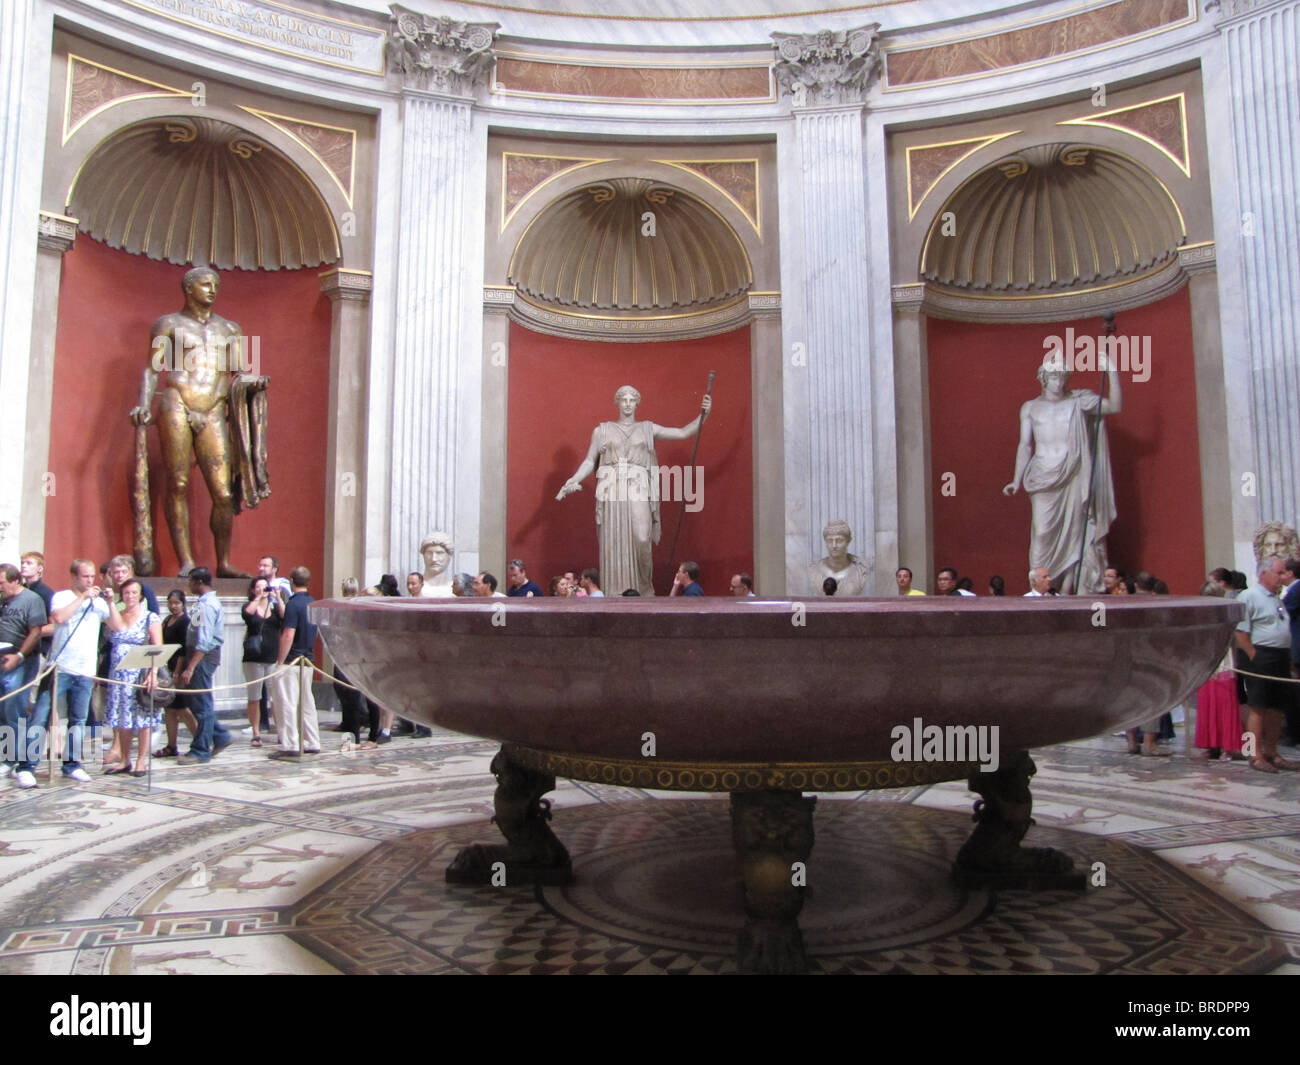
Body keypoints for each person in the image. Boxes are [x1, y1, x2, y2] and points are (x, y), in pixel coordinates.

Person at [130, 266, 269, 577]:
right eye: (206, 284)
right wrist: (142, 405)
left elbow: (243, 371)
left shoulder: (232, 329)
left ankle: (224, 562)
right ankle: (187, 561)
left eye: (215, 285)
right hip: (176, 401)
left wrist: (255, 381)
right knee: (177, 483)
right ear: (188, 288)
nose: (212, 290)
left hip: (214, 408)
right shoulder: (168, 324)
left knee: (223, 493)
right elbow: (153, 369)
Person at [555, 385, 712, 597]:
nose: (627, 404)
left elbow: (683, 433)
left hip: (638, 487)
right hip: (612, 489)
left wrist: (703, 415)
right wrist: (573, 479)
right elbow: (589, 460)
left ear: (637, 403)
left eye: (632, 400)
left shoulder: (648, 428)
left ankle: (644, 589)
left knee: (641, 538)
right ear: (617, 403)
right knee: (613, 544)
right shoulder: (601, 430)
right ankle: (615, 593)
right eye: (623, 400)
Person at [1003, 351, 1121, 595]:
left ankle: (1069, 588)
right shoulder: (1031, 407)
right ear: (1043, 378)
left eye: (1063, 377)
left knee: (1076, 533)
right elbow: (1025, 445)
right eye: (1054, 377)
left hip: (1074, 472)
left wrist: (1112, 372)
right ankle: (1038, 589)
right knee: (1042, 533)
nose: (1059, 381)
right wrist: (1016, 480)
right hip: (1042, 476)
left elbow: (1115, 406)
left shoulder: (1079, 402)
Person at [25, 559, 107, 785]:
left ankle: (72, 764)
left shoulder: (98, 603)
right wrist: (82, 597)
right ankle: (26, 766)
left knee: (78, 719)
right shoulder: (61, 597)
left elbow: (116, 625)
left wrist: (108, 599)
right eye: (85, 576)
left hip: (85, 669)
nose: (90, 581)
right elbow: (59, 618)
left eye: (92, 577)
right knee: (41, 716)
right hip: (59, 667)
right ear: (74, 577)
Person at [1234, 555, 1298, 773]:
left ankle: (1272, 751)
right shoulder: (1249, 596)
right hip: (1259, 655)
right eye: (1278, 573)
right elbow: (1241, 631)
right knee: (1257, 705)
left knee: (1277, 707)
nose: (1282, 577)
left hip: (1279, 656)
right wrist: (1254, 657)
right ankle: (1253, 753)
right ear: (1264, 573)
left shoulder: (1276, 598)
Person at [103, 578, 163, 777]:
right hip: (118, 675)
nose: (130, 596)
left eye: (133, 593)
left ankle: (140, 761)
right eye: (126, 593)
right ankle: (125, 759)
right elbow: (117, 628)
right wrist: (111, 602)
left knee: (142, 718)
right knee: (123, 719)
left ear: (140, 596)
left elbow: (157, 648)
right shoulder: (118, 615)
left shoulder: (150, 617)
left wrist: (153, 673)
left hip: (138, 675)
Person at [176, 567, 232, 765]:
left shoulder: (207, 606)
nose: (188, 585)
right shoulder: (202, 603)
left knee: (202, 704)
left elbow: (205, 639)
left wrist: (191, 666)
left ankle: (200, 749)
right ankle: (220, 735)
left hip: (203, 657)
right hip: (199, 655)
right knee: (197, 701)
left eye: (190, 581)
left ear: (199, 582)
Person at [0, 564, 47, 787]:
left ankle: (22, 762)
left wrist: (18, 656)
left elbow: (36, 630)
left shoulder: (31, 599)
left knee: (16, 709)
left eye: (2, 583)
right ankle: (7, 757)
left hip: (21, 660)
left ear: (15, 580)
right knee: (3, 710)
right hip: (2, 658)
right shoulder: (3, 600)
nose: (0, 587)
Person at [269, 566, 321, 760]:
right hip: (307, 659)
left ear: (291, 580)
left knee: (288, 703)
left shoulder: (293, 605)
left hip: (292, 660)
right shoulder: (313, 603)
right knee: (307, 703)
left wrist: (280, 661)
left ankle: (291, 744)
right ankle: (312, 740)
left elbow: (288, 633)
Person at [154, 589, 198, 758]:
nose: (173, 606)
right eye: (170, 603)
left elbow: (182, 649)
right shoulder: (167, 620)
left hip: (177, 668)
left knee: (182, 708)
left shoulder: (184, 621)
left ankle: (198, 740)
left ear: (182, 604)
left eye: (176, 603)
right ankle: (171, 745)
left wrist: (178, 672)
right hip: (167, 668)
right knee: (170, 709)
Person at [241, 576, 279, 748]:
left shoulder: (275, 608)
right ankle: (256, 732)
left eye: (265, 587)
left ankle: (280, 729)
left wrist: (277, 597)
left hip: (271, 657)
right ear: (253, 589)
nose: (262, 590)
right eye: (258, 587)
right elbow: (247, 615)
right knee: (254, 696)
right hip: (254, 658)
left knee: (275, 696)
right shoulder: (250, 606)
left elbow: (284, 618)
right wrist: (258, 598)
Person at [807, 519, 871, 596]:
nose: (834, 545)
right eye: (830, 541)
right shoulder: (814, 570)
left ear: (848, 541)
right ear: (825, 542)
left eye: (839, 540)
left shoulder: (861, 570)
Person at [418, 532, 455, 597]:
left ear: (449, 557)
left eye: (439, 553)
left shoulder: (454, 590)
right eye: (429, 553)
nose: (434, 559)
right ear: (423, 555)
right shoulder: (416, 588)